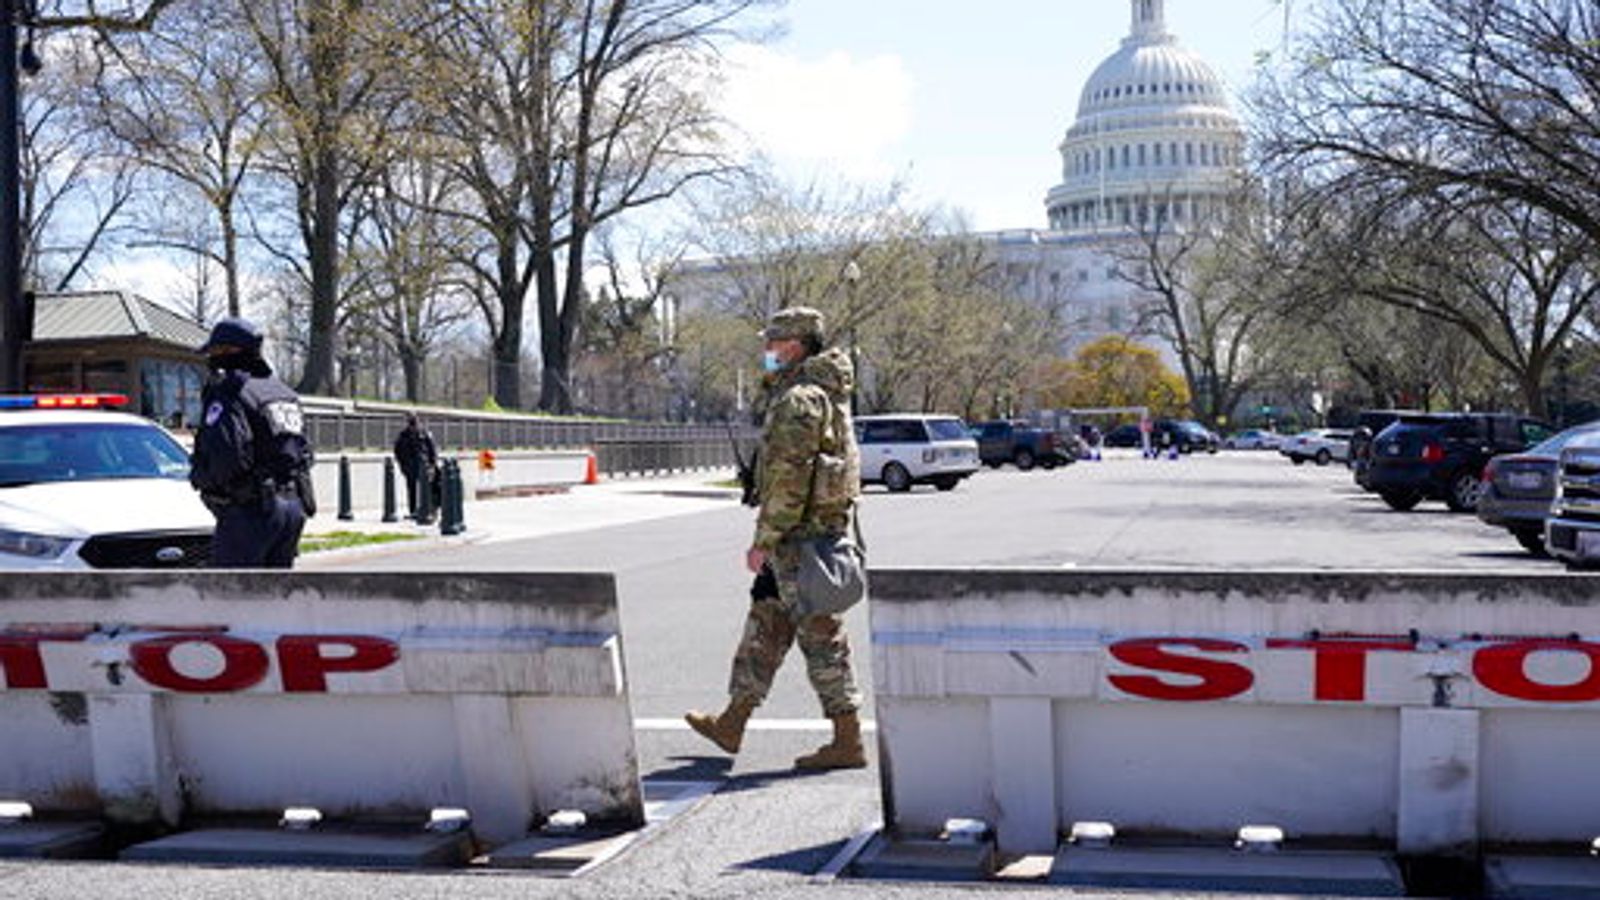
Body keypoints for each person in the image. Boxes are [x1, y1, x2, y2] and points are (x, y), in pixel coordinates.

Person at [684, 306, 867, 770]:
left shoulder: (800, 400)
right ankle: (733, 722)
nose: (767, 349)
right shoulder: (827, 394)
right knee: (766, 622)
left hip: (800, 541)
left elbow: (789, 479)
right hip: (812, 535)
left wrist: (763, 540)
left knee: (821, 638)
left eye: (774, 342)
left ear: (796, 345)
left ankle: (847, 741)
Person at [189, 317, 314, 568]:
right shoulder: (284, 393)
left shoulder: (231, 393)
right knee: (274, 589)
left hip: (251, 512)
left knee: (233, 590)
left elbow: (228, 454)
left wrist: (203, 479)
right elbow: (305, 452)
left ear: (230, 351)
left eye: (214, 351)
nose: (211, 358)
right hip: (291, 508)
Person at [393, 412, 439, 519]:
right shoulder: (403, 435)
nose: (412, 424)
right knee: (412, 489)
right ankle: (413, 511)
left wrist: (432, 465)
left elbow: (432, 450)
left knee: (426, 490)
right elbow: (397, 451)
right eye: (410, 421)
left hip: (424, 466)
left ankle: (428, 509)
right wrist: (403, 465)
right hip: (410, 467)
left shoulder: (424, 433)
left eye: (413, 421)